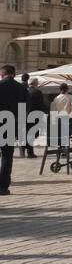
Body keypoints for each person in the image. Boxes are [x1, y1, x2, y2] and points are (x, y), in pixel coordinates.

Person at [0, 65, 26, 195]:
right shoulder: (22, 88)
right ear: (14, 74)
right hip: (11, 125)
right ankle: (3, 187)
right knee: (7, 156)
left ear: (2, 74)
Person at [23, 78, 45, 158]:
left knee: (25, 133)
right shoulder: (38, 92)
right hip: (34, 116)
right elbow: (41, 105)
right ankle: (30, 152)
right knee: (32, 134)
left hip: (24, 115)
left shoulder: (23, 91)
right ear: (36, 83)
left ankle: (23, 150)